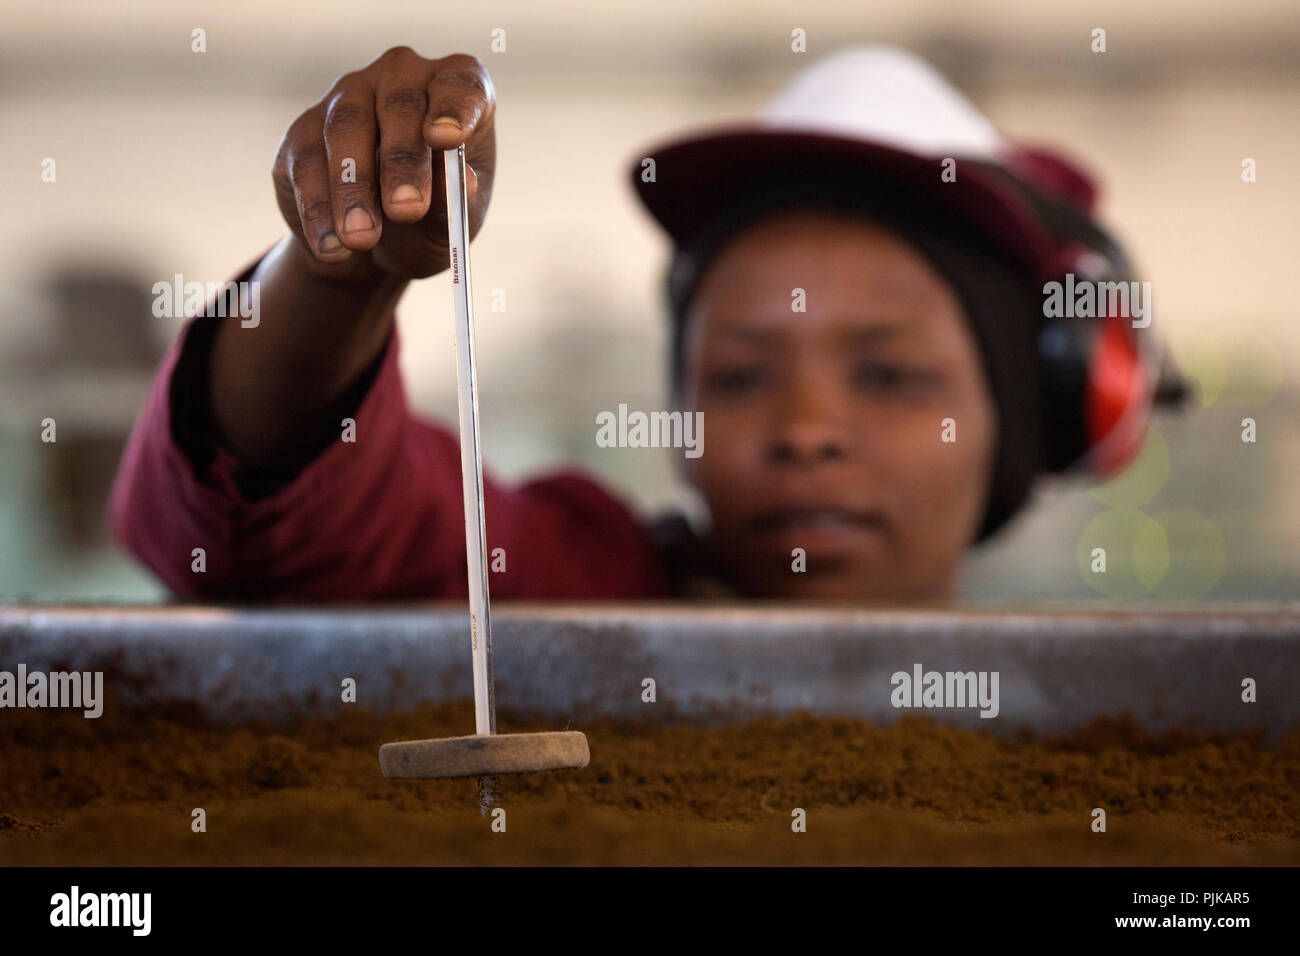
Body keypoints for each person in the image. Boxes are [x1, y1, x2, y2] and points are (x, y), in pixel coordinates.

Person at [109, 45, 1183, 602]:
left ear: (1039, 412)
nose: (805, 430)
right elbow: (285, 520)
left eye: (892, 376)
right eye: (741, 376)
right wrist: (339, 278)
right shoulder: (583, 591)